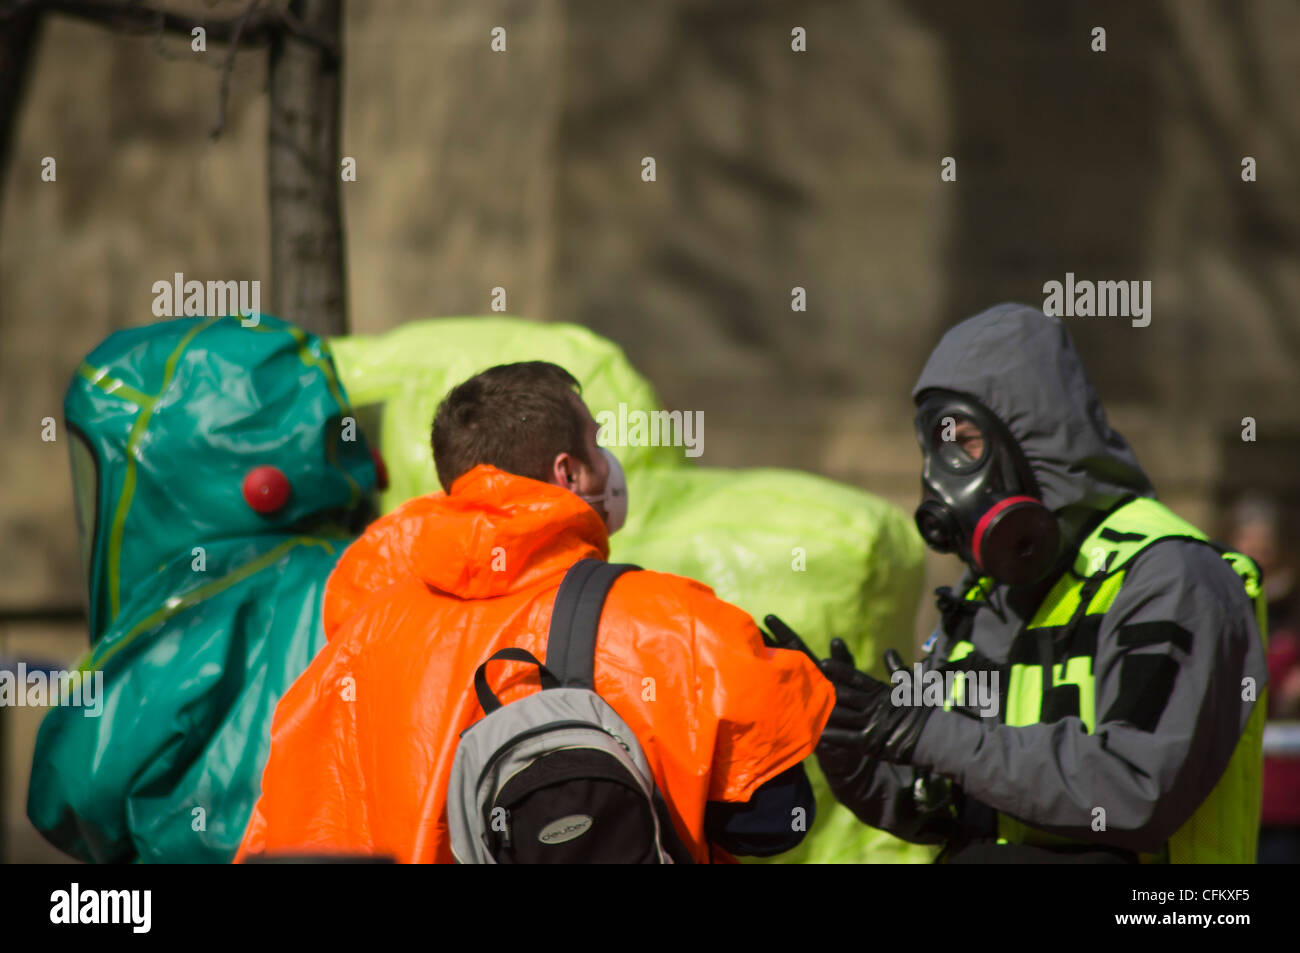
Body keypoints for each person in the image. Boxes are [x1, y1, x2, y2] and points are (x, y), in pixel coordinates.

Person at [237, 361, 833, 863]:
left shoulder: (359, 640)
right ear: (568, 473)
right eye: (597, 444)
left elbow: (297, 826)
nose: (609, 464)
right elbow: (775, 824)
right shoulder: (674, 623)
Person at [816, 303, 1269, 863]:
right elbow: (941, 807)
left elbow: (1133, 788)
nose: (939, 475)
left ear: (1032, 440)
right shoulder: (984, 599)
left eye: (963, 442)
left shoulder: (1171, 576)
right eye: (932, 449)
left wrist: (929, 733)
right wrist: (849, 743)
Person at [1225, 496, 1300, 864]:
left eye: (1265, 548)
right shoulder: (1222, 607)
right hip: (1230, 792)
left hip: (1285, 796)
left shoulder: (1292, 612)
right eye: (1248, 547)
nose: (1258, 557)